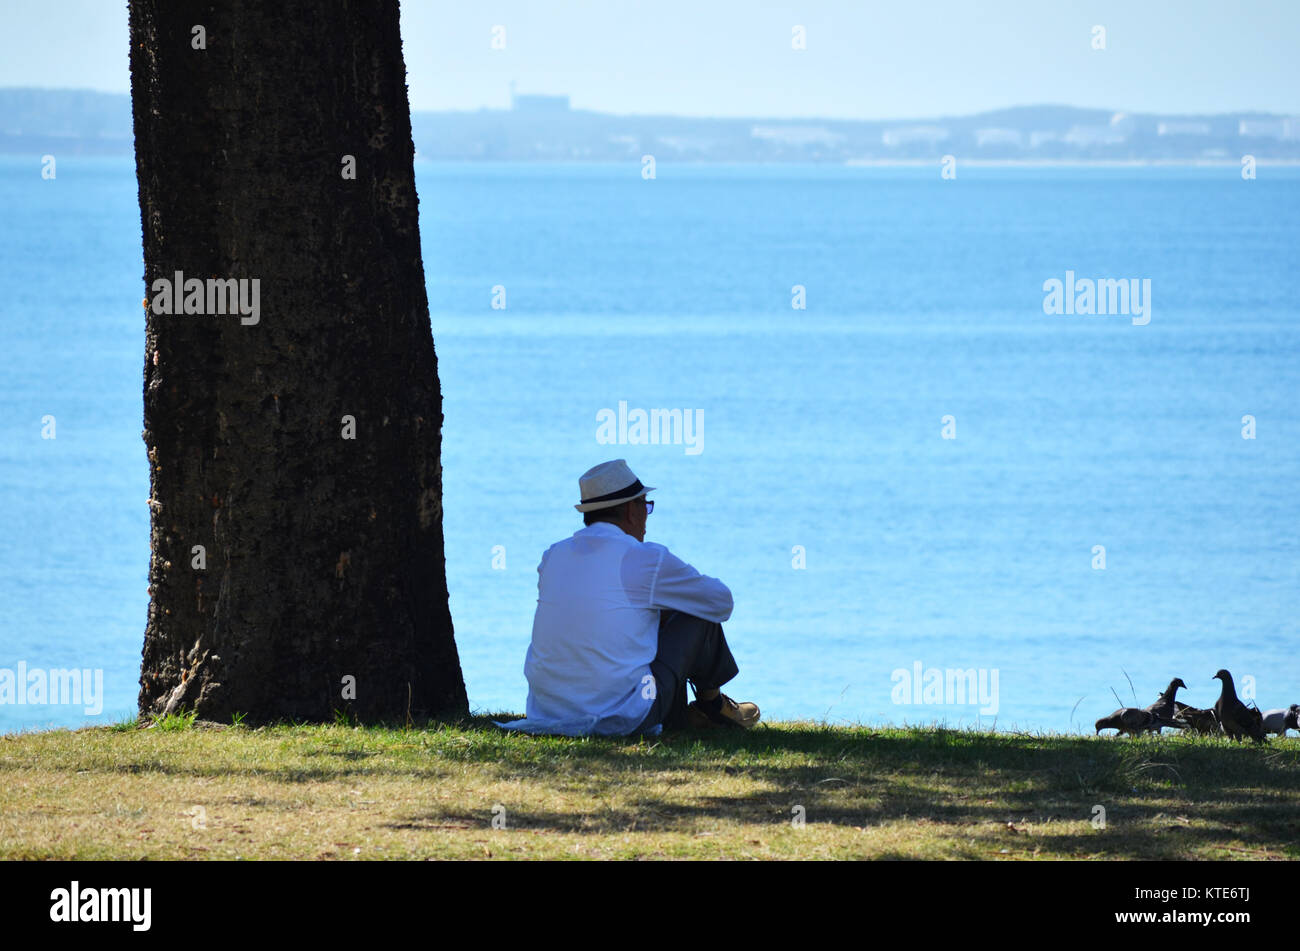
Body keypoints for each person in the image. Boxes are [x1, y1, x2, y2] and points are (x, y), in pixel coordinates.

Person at [495, 459, 759, 737]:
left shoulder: (553, 555)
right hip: (623, 717)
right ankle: (712, 706)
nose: (646, 517)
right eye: (645, 506)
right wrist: (665, 607)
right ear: (630, 511)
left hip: (548, 714)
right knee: (696, 611)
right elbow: (720, 602)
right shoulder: (644, 558)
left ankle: (698, 710)